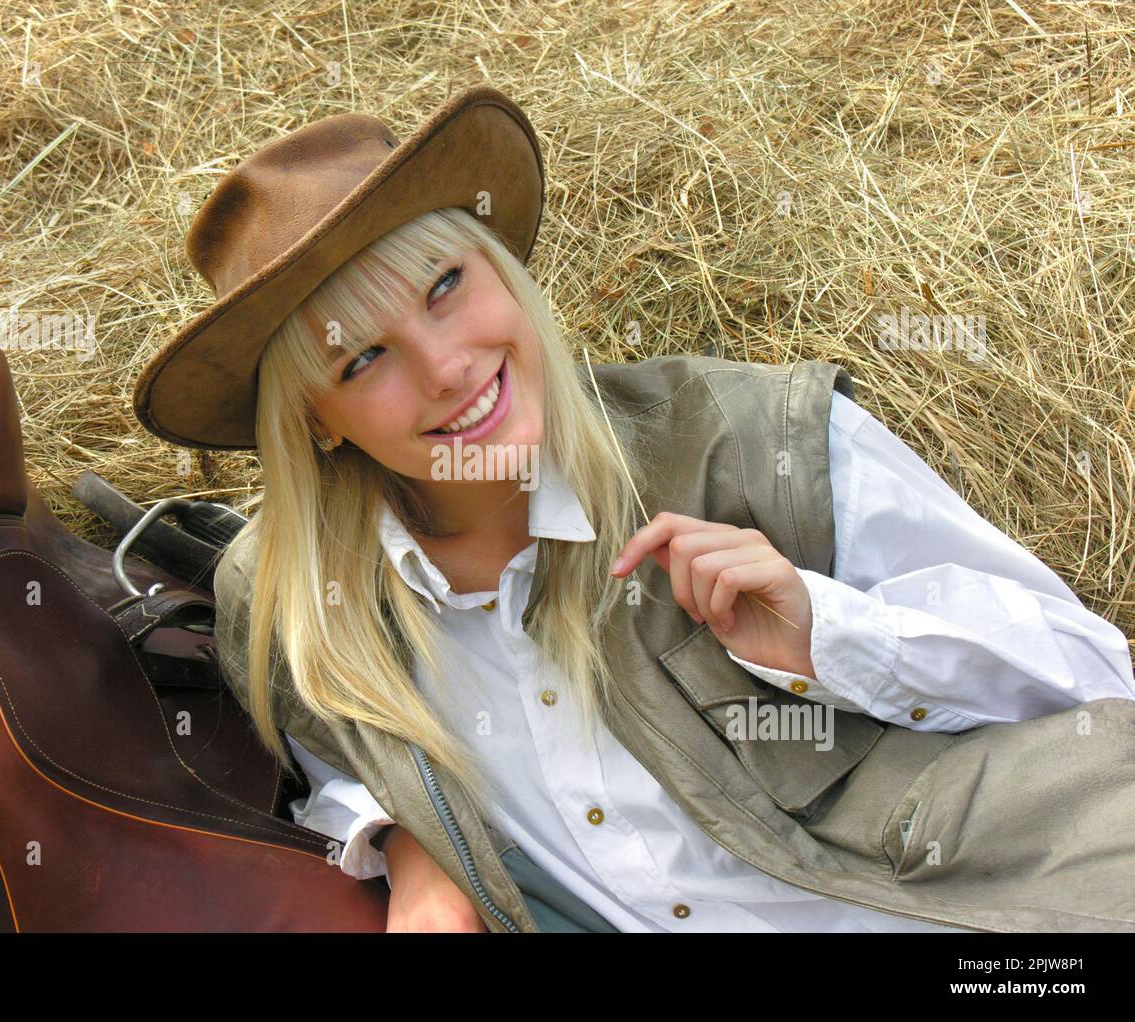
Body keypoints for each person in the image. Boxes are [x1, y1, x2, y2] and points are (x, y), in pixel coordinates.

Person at [134, 86, 1135, 933]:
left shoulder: (759, 438)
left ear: (500, 267)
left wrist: (823, 629)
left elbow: (1092, 682)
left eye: (446, 285)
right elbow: (338, 758)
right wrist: (407, 845)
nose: (446, 370)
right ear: (316, 421)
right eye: (363, 358)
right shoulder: (297, 603)